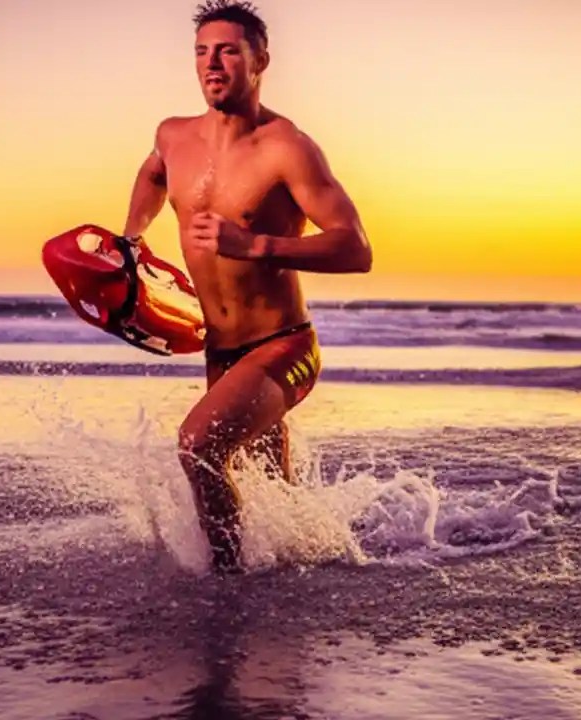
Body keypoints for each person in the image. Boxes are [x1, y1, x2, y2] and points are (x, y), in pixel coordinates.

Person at [120, 0, 372, 573]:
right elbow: (152, 173)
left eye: (228, 51)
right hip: (222, 352)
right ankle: (301, 571)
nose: (212, 64)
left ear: (260, 60)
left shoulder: (287, 148)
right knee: (269, 491)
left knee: (197, 446)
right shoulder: (173, 136)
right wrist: (132, 242)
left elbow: (355, 248)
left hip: (284, 347)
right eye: (202, 53)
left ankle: (228, 589)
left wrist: (256, 245)